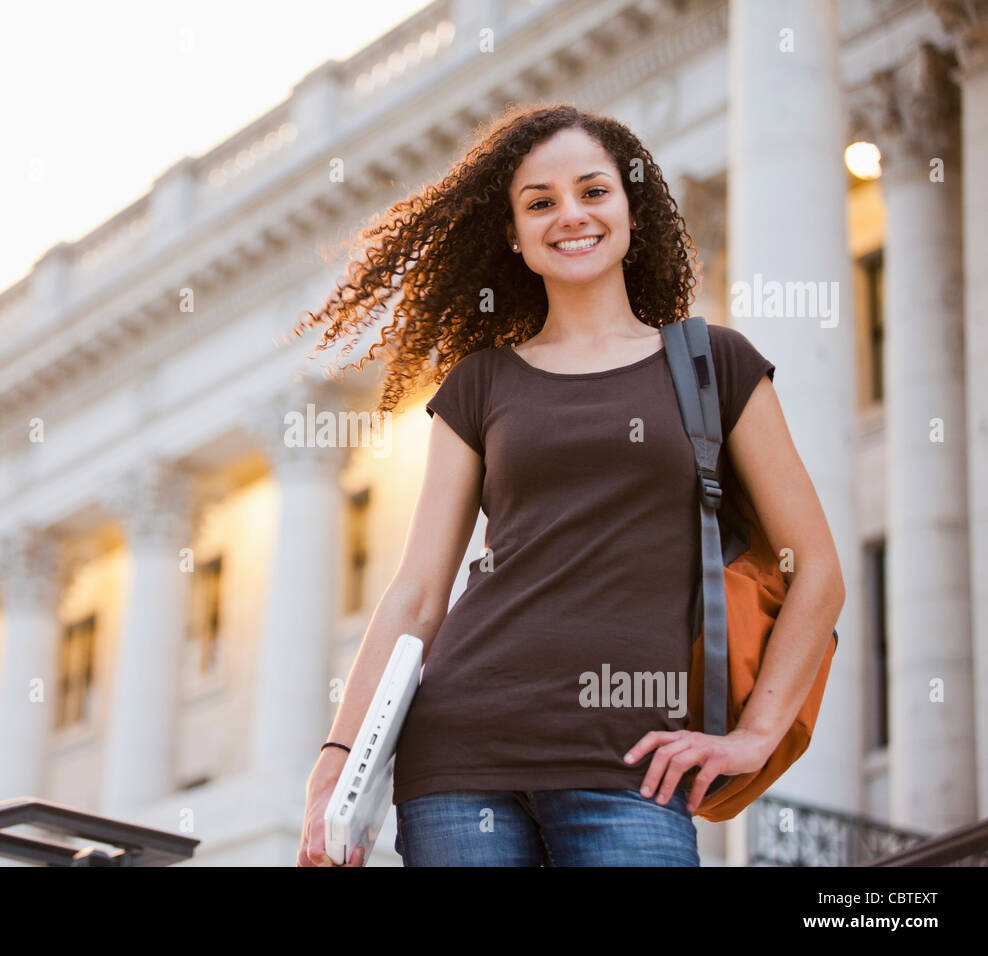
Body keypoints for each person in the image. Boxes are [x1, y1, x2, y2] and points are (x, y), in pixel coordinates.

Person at [293, 103, 845, 867]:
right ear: (515, 237)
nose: (570, 215)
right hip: (460, 757)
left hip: (631, 763)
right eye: (540, 203)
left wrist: (756, 735)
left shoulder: (715, 364)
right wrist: (337, 760)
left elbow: (815, 569)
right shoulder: (479, 383)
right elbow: (418, 593)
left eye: (593, 191)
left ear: (631, 209)